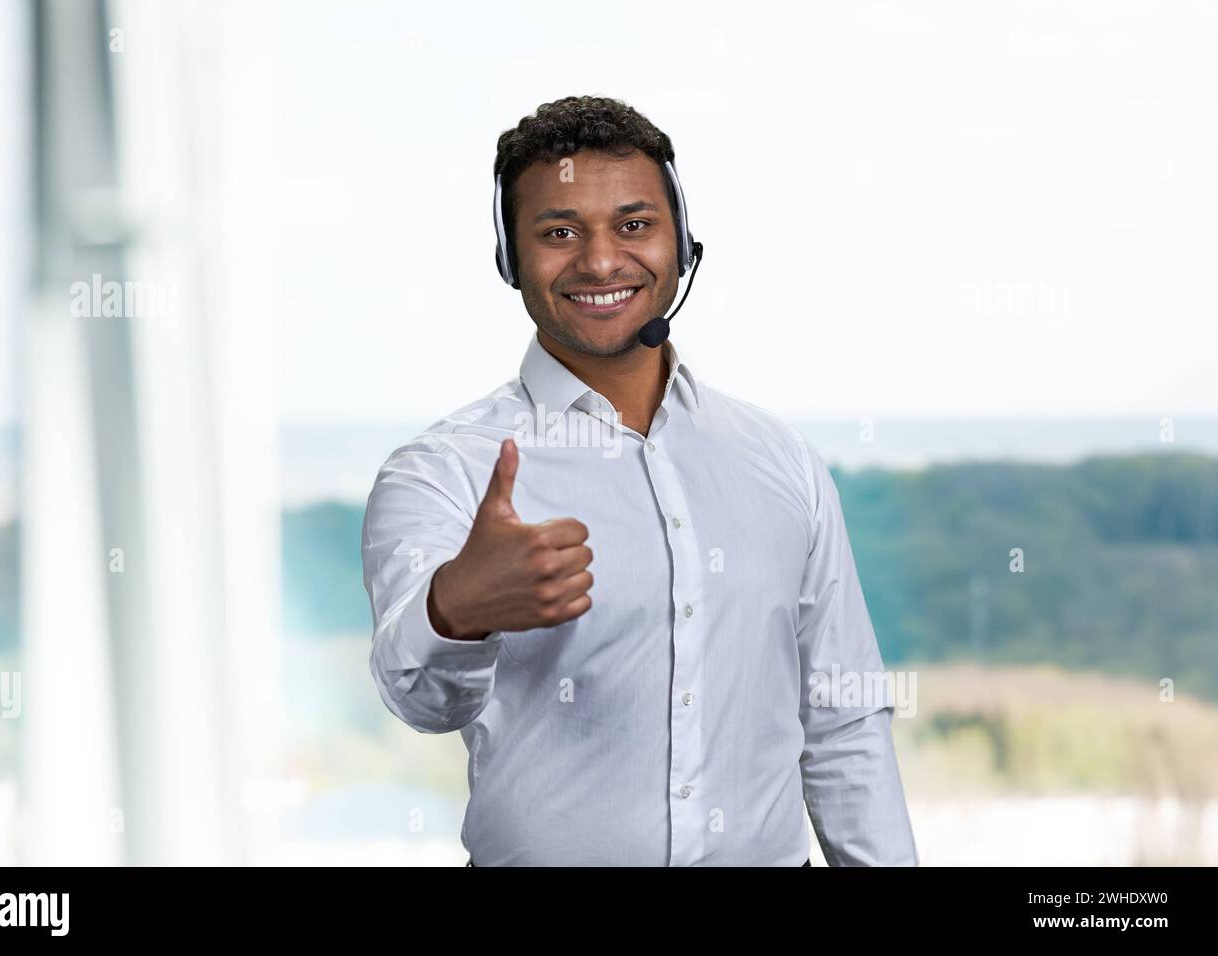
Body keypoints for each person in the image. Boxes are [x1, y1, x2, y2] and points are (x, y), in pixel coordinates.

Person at [363, 95, 918, 866]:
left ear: (681, 243)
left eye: (633, 225)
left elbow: (843, 716)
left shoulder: (779, 459)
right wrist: (457, 607)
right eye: (559, 232)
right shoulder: (443, 472)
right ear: (509, 257)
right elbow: (420, 698)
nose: (599, 261)